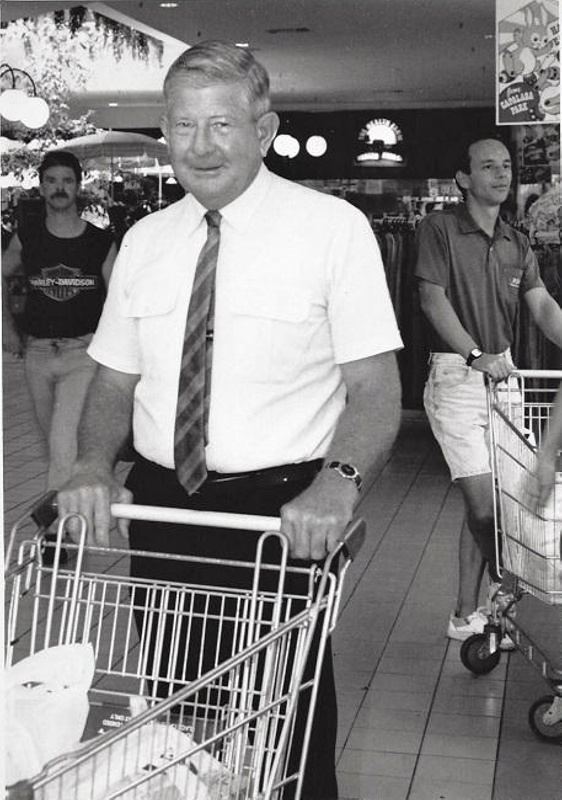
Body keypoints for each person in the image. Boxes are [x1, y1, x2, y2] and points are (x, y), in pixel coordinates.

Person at [57, 41, 403, 799]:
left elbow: (376, 387)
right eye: (183, 126)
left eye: (221, 125)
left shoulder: (331, 229)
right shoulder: (145, 242)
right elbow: (113, 381)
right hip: (162, 506)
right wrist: (88, 465)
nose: (201, 146)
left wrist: (338, 484)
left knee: (287, 721)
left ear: (265, 127)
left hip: (280, 517)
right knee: (178, 720)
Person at [415, 135, 562, 645]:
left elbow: (541, 305)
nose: (501, 175)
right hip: (458, 376)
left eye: (505, 166)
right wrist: (477, 356)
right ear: (463, 178)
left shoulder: (517, 242)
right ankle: (508, 582)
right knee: (484, 507)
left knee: (497, 501)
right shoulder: (439, 229)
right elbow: (433, 300)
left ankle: (463, 614)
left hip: (507, 381)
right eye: (487, 166)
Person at [2, 150, 117, 493]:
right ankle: (81, 505)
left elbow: (119, 299)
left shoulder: (100, 242)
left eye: (67, 180)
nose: (59, 188)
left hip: (82, 353)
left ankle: (53, 530)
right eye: (51, 181)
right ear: (40, 186)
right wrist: (6, 327)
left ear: (78, 186)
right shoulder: (28, 236)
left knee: (62, 440)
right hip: (37, 354)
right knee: (55, 445)